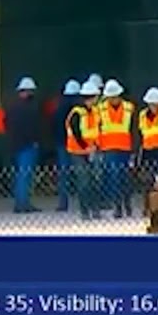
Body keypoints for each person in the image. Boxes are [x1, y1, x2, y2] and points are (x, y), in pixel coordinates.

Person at [96, 79, 140, 218]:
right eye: (110, 97)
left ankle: (126, 204)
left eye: (114, 96)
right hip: (108, 148)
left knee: (125, 178)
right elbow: (96, 128)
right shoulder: (100, 109)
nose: (112, 99)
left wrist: (135, 149)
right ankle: (118, 206)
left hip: (125, 148)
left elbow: (134, 129)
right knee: (114, 177)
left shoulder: (129, 108)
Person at [64, 81, 101, 219]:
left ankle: (95, 210)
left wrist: (95, 146)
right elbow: (76, 132)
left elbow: (98, 129)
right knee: (84, 181)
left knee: (95, 180)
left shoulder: (95, 111)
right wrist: (86, 147)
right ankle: (85, 211)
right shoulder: (77, 113)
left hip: (92, 150)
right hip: (78, 152)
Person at [6, 76, 42, 213]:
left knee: (20, 175)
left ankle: (20, 203)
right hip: (28, 146)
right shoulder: (31, 108)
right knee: (25, 175)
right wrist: (35, 141)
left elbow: (6, 124)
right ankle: (23, 204)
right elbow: (34, 127)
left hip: (15, 145)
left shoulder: (12, 108)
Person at [53, 79, 82, 211]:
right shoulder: (78, 108)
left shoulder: (59, 107)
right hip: (76, 144)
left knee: (63, 173)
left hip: (61, 143)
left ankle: (63, 203)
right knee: (81, 173)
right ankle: (84, 201)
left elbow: (54, 125)